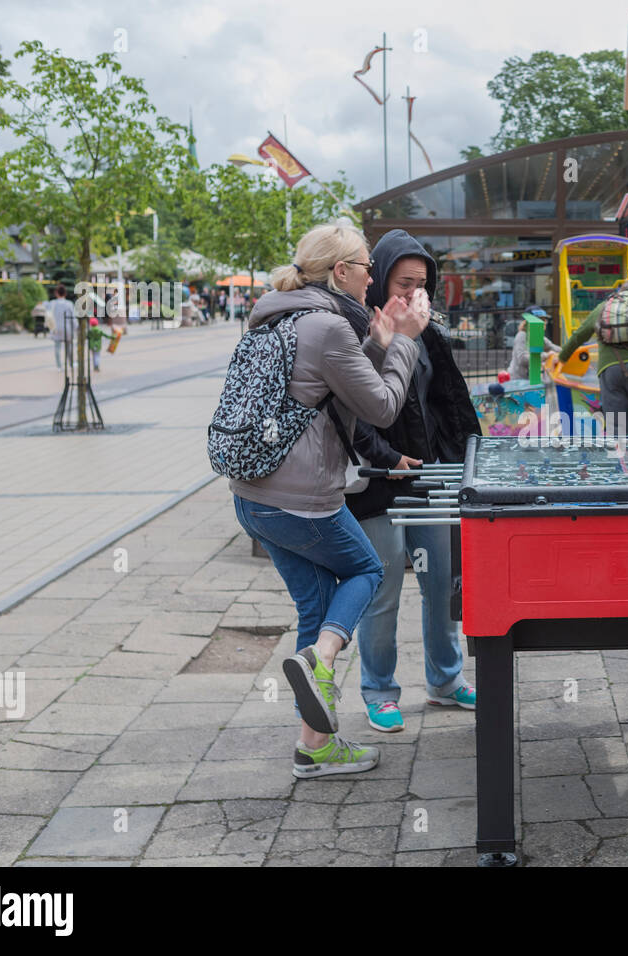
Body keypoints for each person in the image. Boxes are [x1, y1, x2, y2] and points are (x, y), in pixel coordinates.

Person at [230, 222, 427, 779]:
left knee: (316, 611)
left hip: (252, 497)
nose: (371, 277)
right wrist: (406, 340)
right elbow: (380, 406)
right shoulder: (329, 325)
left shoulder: (278, 316)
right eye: (366, 267)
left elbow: (330, 385)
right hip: (302, 501)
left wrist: (379, 342)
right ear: (341, 271)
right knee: (368, 569)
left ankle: (314, 747)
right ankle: (322, 658)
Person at [345, 229, 481, 732]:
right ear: (380, 279)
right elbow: (352, 412)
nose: (414, 295)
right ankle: (379, 690)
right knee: (382, 589)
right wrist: (386, 456)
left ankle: (445, 680)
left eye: (422, 285)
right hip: (378, 479)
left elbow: (451, 403)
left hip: (431, 478)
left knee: (443, 584)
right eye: (404, 284)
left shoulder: (430, 334)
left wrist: (463, 456)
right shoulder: (359, 329)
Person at [557, 278, 628, 435]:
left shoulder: (603, 308)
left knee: (617, 430)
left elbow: (579, 336)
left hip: (609, 371)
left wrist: (561, 358)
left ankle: (620, 450)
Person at [506, 308, 558, 382]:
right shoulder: (522, 336)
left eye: (544, 320)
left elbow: (555, 348)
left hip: (532, 380)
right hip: (518, 381)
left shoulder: (539, 337)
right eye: (540, 320)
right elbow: (522, 359)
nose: (544, 323)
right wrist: (546, 355)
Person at [48, 284, 75, 370]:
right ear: (65, 293)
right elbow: (73, 318)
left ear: (56, 293)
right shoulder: (69, 304)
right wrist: (76, 328)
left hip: (56, 328)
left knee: (57, 347)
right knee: (69, 347)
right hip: (67, 328)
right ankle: (71, 364)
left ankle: (59, 366)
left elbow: (49, 316)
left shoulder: (52, 303)